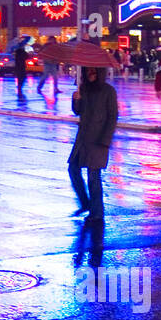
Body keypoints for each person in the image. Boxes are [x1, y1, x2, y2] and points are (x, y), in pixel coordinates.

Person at [69, 67, 118, 224]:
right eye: (88, 72)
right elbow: (78, 111)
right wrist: (76, 99)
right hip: (82, 139)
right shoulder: (84, 88)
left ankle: (97, 212)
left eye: (94, 72)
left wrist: (105, 140)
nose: (91, 75)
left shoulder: (108, 91)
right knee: (73, 169)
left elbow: (112, 117)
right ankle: (86, 203)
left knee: (93, 176)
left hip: (98, 140)